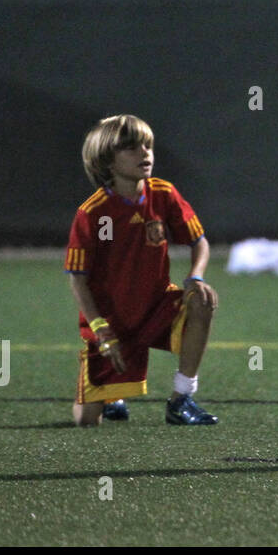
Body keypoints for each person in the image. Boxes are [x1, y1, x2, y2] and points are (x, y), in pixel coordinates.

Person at [65, 114, 219, 426]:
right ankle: (109, 395)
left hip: (157, 308)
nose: (144, 153)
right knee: (87, 421)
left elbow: (199, 242)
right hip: (113, 322)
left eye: (147, 146)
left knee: (202, 301)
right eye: (131, 148)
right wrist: (100, 328)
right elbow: (78, 279)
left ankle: (181, 398)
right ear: (107, 160)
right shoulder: (94, 213)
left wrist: (196, 276)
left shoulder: (163, 194)